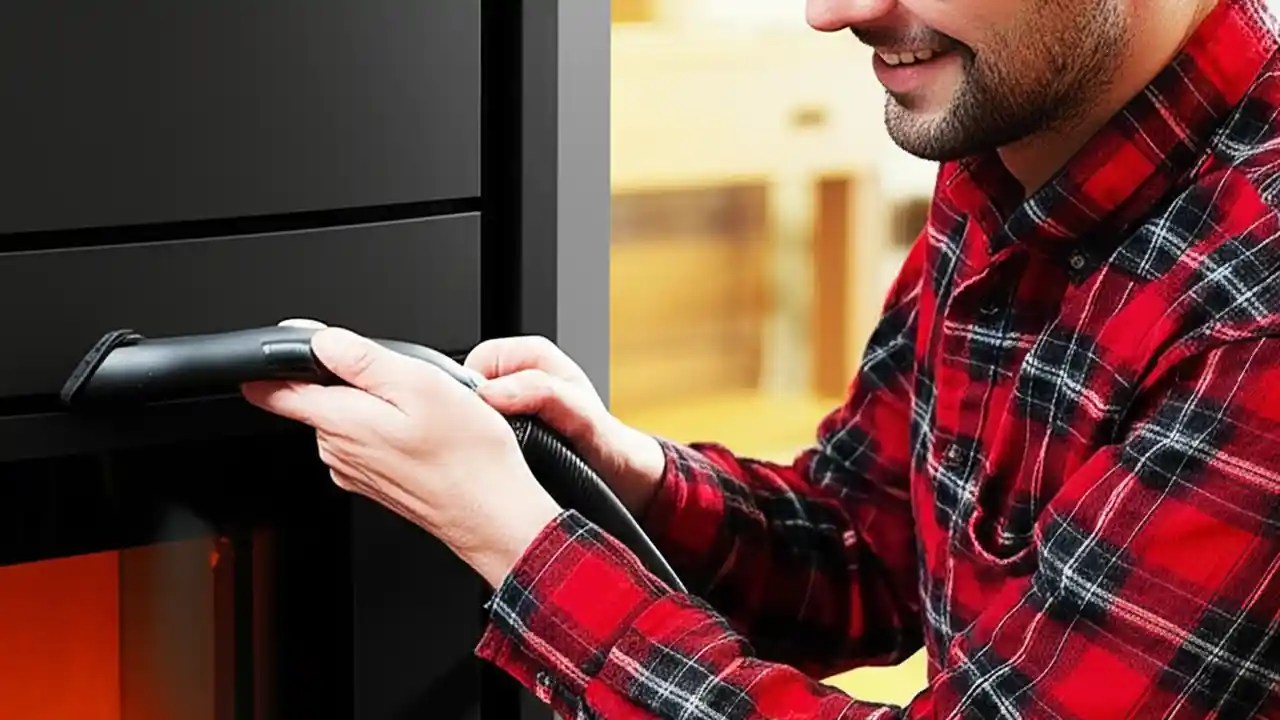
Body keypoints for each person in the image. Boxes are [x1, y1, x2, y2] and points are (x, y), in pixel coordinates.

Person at [242, 0, 1280, 716]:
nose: (830, 13)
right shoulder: (1020, 134)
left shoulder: (1253, 310)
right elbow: (870, 547)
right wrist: (620, 475)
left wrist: (516, 540)